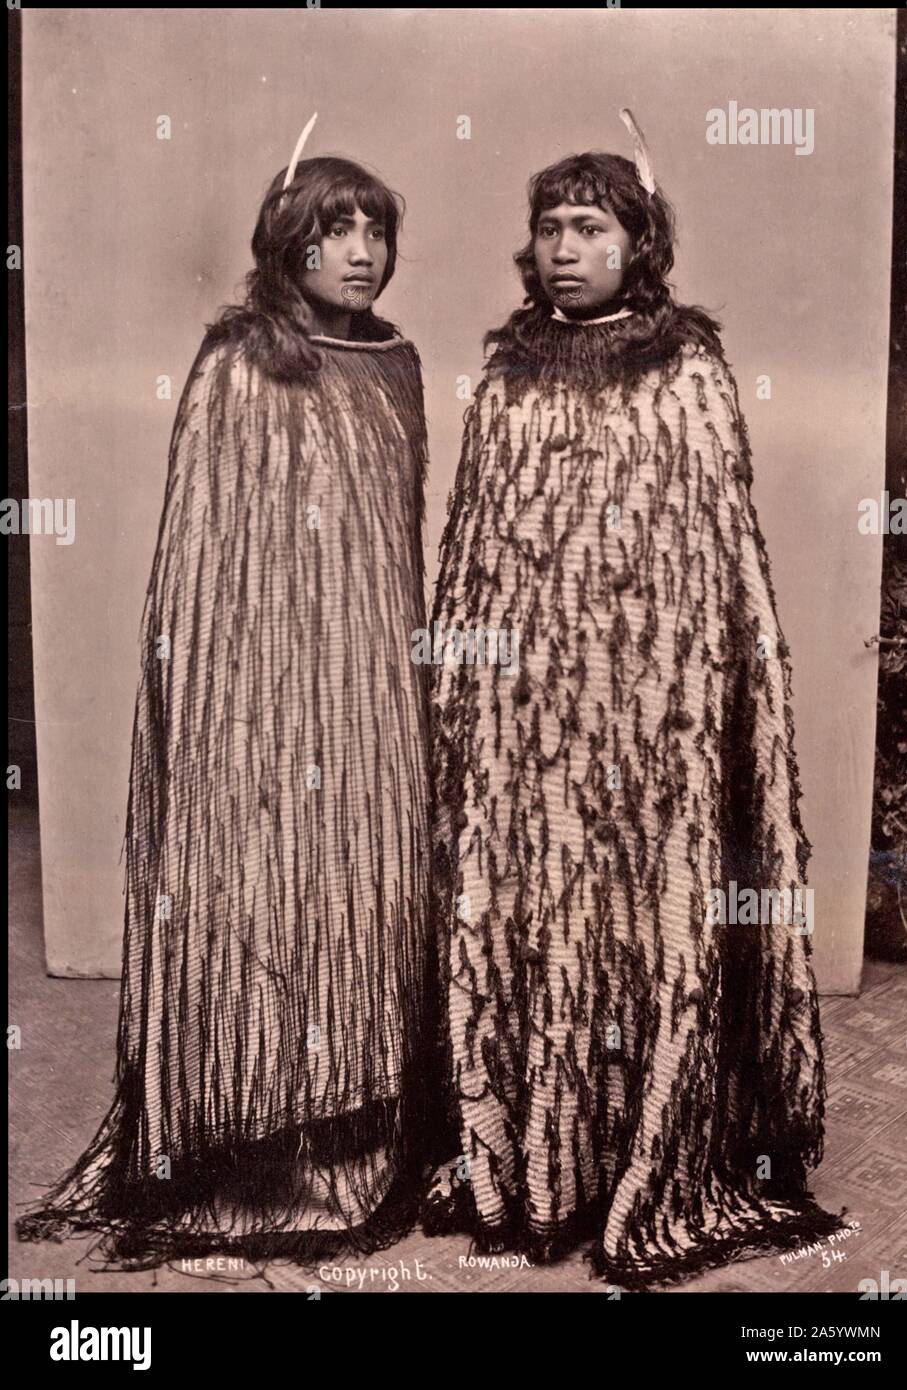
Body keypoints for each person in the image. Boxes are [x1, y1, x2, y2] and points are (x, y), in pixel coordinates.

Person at [423, 114, 846, 1288]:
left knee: (642, 935)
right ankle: (535, 1163)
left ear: (636, 241)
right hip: (527, 733)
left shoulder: (691, 375)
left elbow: (719, 565)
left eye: (590, 226)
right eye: (548, 227)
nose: (564, 248)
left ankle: (640, 1156)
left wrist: (681, 703)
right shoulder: (504, 376)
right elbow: (474, 558)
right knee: (537, 933)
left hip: (651, 732)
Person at [16, 127, 439, 1270]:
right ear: (284, 247)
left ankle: (352, 1145)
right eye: (332, 231)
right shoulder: (237, 364)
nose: (359, 252)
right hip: (257, 698)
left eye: (373, 230)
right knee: (264, 910)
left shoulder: (396, 366)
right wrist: (223, 713)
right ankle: (250, 1152)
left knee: (365, 905)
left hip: (369, 696)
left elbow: (393, 547)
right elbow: (199, 560)